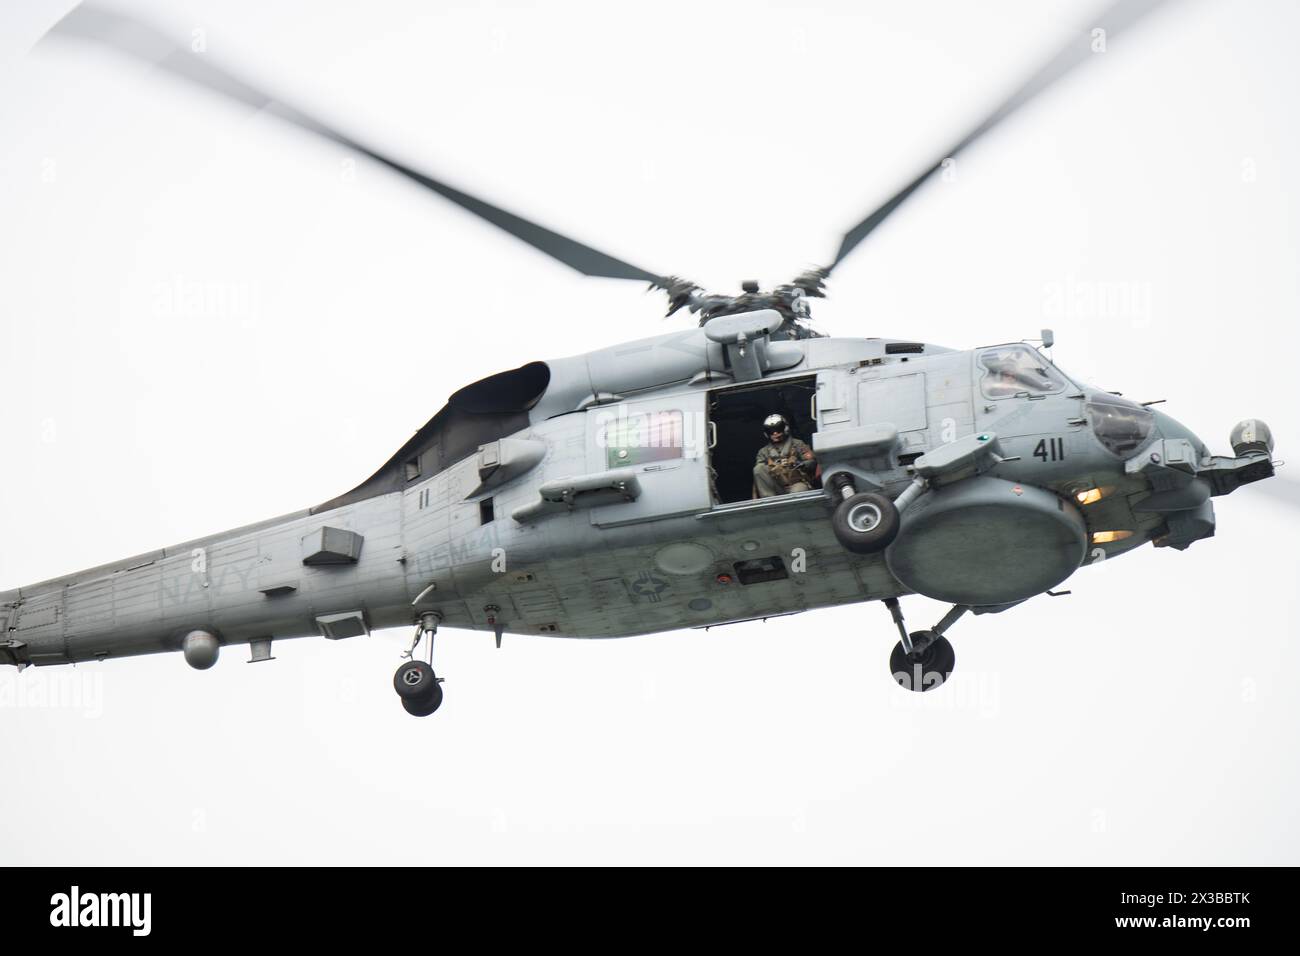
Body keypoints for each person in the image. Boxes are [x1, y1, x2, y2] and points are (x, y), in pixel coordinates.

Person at [753, 413, 818, 498]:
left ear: (785, 428)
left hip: (797, 483)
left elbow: (812, 461)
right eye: (771, 431)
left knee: (798, 491)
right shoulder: (764, 452)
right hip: (777, 487)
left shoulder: (798, 444)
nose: (775, 433)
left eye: (778, 429)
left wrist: (802, 464)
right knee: (759, 468)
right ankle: (769, 500)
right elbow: (759, 471)